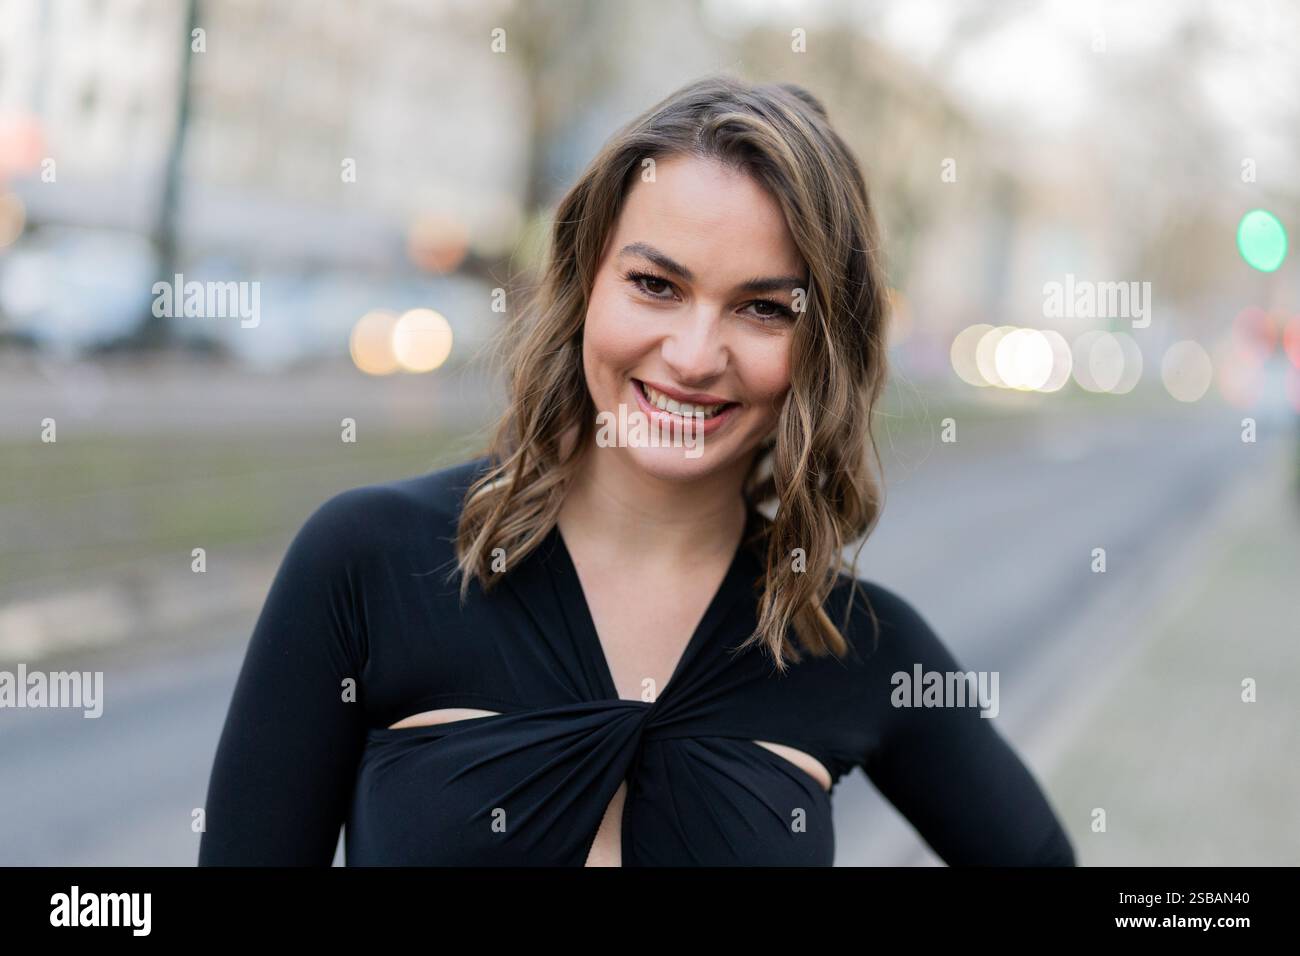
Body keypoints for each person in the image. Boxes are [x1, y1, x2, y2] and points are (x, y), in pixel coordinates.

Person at [198, 74, 1075, 867]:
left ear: (821, 352)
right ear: (585, 282)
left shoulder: (851, 641)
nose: (694, 356)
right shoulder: (369, 561)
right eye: (657, 285)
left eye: (763, 308)